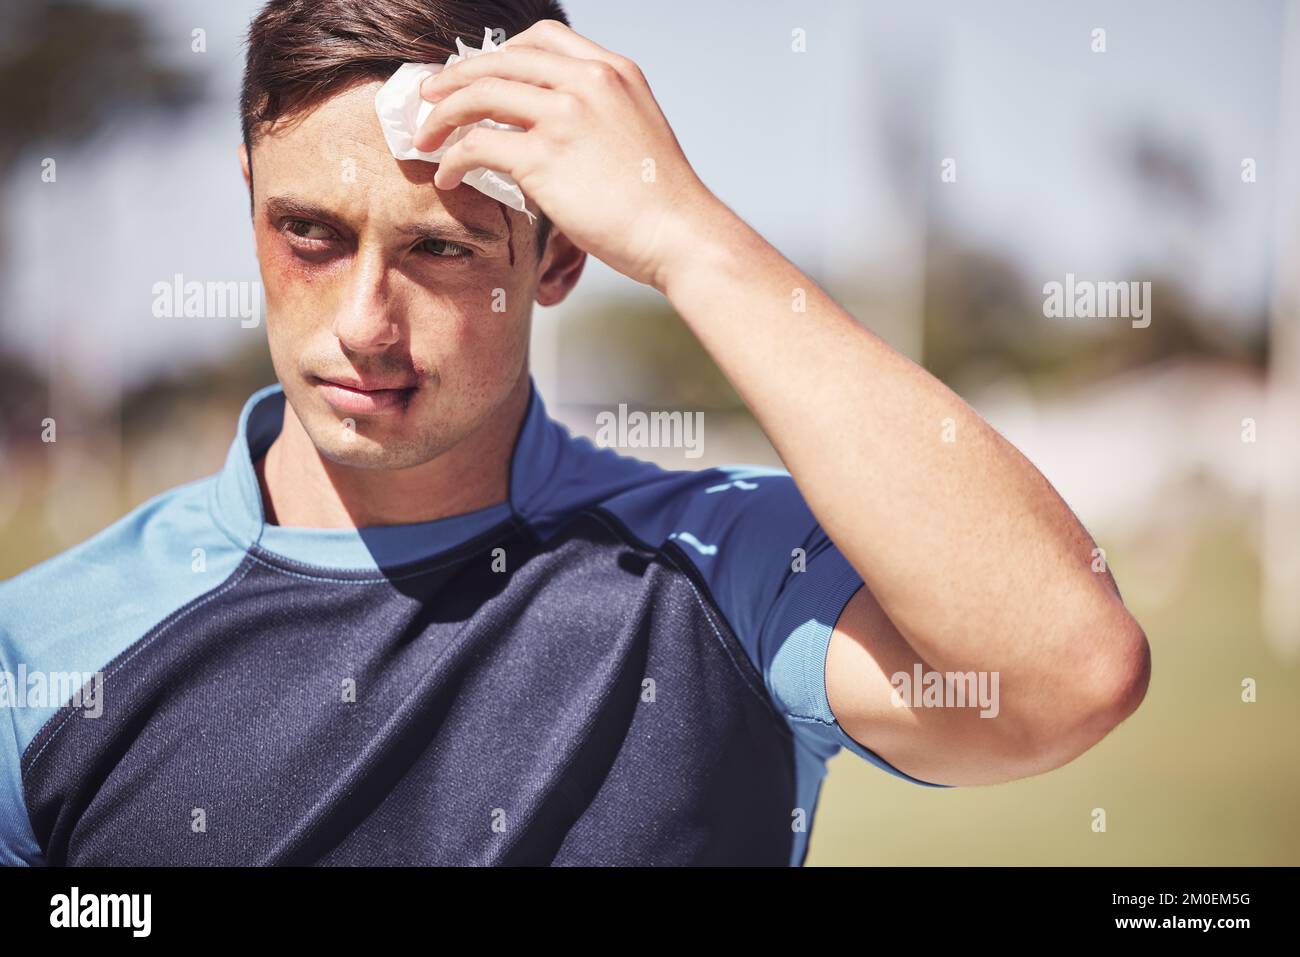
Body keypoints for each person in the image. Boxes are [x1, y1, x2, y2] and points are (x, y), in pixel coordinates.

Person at [0, 0, 1150, 866]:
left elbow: (1068, 674)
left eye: (441, 248)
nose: (363, 324)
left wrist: (689, 238)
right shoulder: (43, 653)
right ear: (247, 193)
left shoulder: (719, 578)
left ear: (557, 260)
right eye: (306, 232)